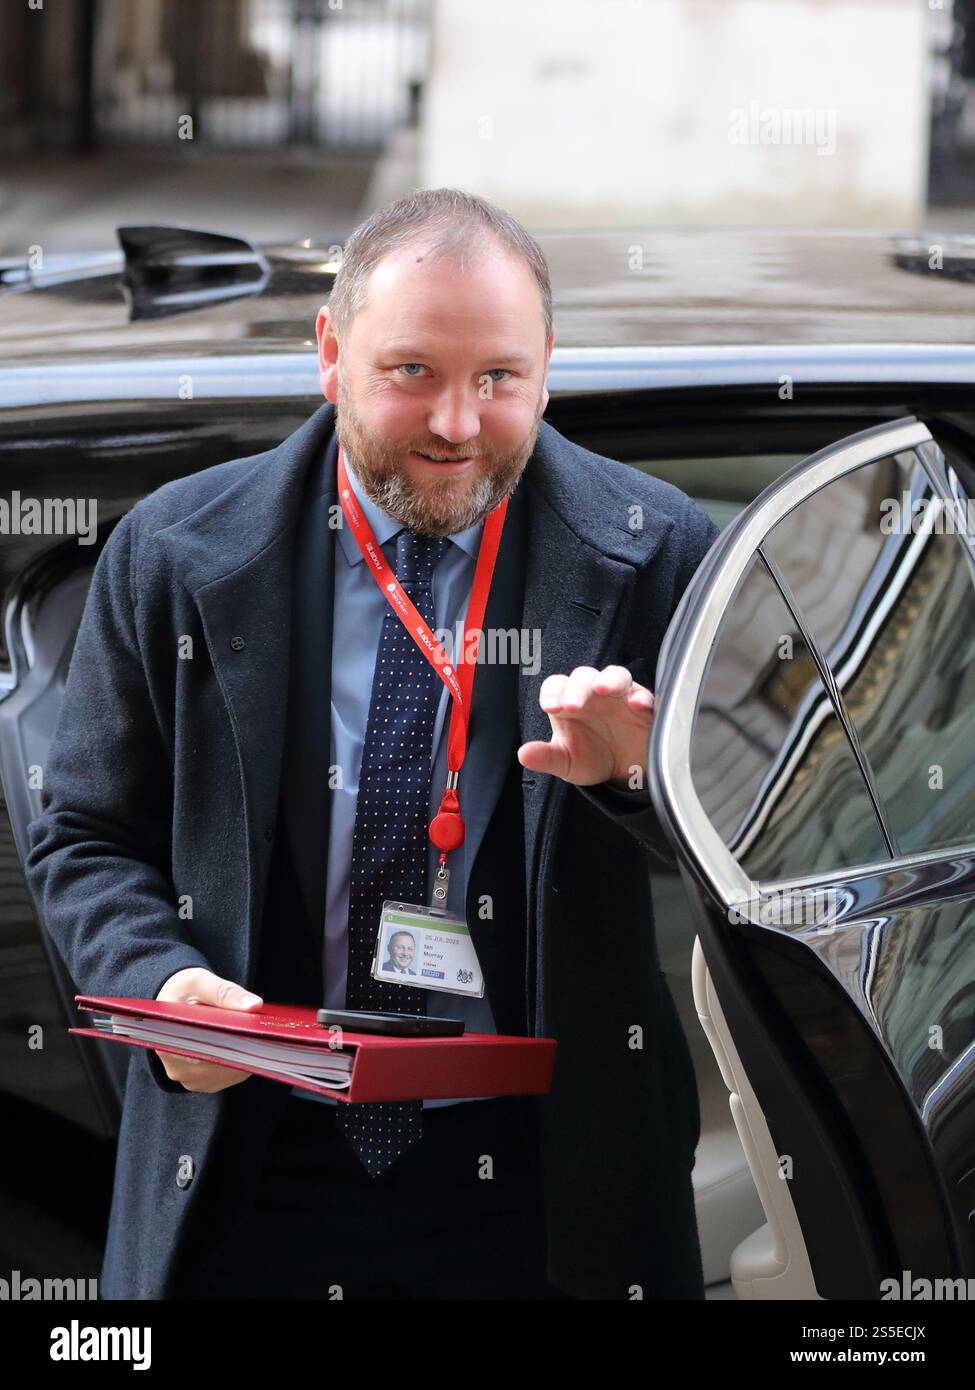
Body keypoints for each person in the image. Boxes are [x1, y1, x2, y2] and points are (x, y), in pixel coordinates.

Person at [25, 187, 720, 1300]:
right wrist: (161, 979)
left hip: (545, 1196)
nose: (457, 422)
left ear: (548, 360)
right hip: (247, 1179)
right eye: (413, 373)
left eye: (499, 378)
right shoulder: (173, 551)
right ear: (331, 351)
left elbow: (785, 845)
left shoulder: (662, 553)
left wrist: (648, 778)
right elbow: (85, 835)